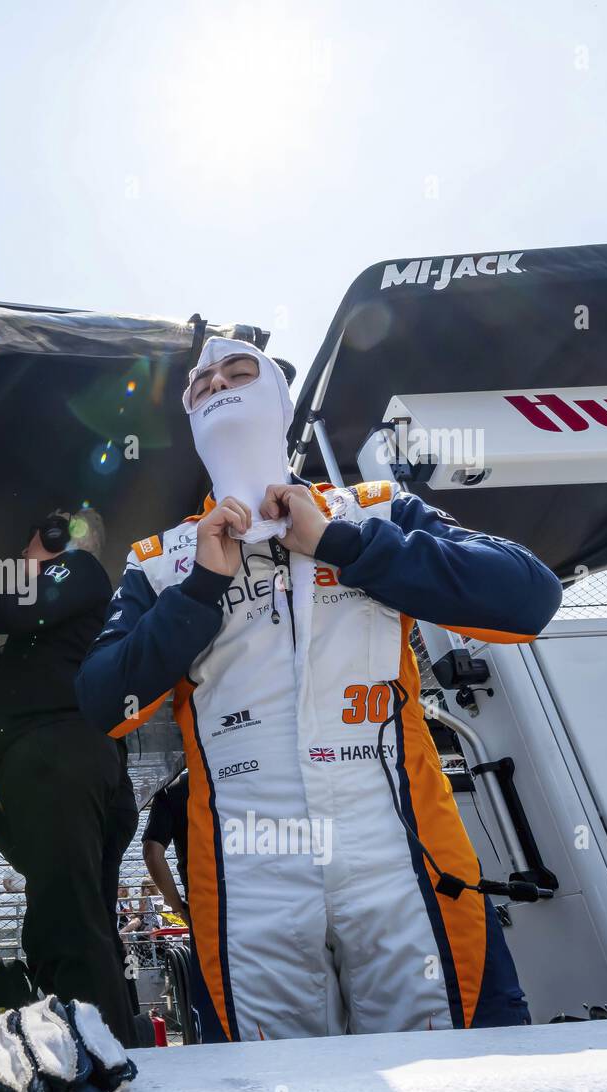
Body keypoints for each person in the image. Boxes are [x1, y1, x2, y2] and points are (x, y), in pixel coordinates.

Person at [76, 336, 563, 1043]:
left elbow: (528, 598)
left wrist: (341, 544)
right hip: (247, 884)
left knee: (451, 1084)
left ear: (278, 403)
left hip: (401, 866)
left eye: (238, 373)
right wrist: (200, 589)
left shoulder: (374, 509)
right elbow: (102, 705)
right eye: (201, 384)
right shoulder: (161, 560)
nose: (217, 383)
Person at [0, 509, 139, 1046]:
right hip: (58, 760)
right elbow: (12, 704)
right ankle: (107, 1046)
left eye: (29, 547)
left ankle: (92, 1052)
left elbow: (28, 606)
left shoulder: (78, 570)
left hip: (65, 758)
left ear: (57, 540)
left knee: (66, 921)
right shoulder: (50, 624)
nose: (23, 557)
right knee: (76, 917)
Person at [142, 770, 190, 927]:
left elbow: (151, 853)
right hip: (256, 900)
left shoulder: (174, 788)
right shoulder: (255, 783)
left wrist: (179, 909)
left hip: (206, 905)